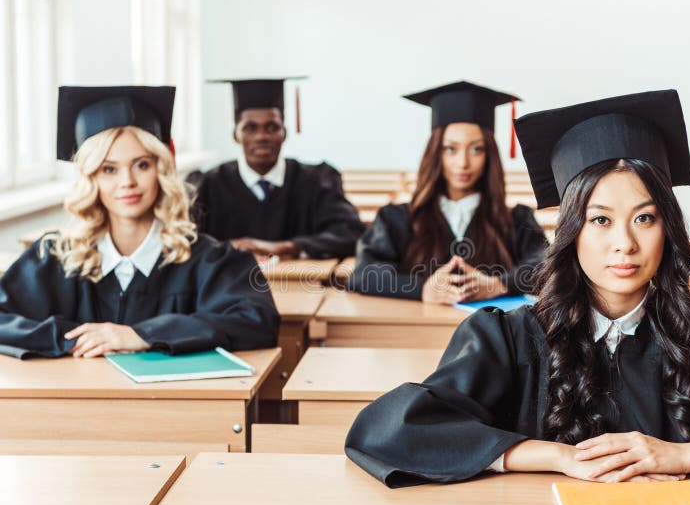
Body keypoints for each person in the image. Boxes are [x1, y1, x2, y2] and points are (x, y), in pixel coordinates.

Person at [345, 90, 690, 491]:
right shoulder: (510, 339)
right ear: (571, 233)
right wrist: (561, 458)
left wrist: (685, 455)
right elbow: (392, 428)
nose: (624, 243)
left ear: (669, 229)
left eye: (644, 218)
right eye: (600, 220)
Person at [0, 85, 279, 359]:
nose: (127, 182)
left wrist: (142, 335)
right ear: (91, 179)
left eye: (141, 165)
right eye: (109, 169)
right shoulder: (56, 256)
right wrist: (70, 338)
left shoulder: (206, 259)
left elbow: (257, 319)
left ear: (161, 170)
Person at [348, 81, 548, 304]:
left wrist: (499, 284)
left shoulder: (516, 220)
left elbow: (546, 266)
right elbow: (365, 274)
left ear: (489, 155)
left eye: (476, 149)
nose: (463, 163)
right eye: (450, 149)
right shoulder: (397, 218)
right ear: (436, 153)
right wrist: (423, 289)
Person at [188, 78, 364, 260]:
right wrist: (227, 249)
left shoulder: (316, 181)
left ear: (284, 133)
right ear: (236, 135)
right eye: (250, 128)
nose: (261, 136)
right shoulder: (208, 185)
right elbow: (186, 240)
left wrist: (286, 247)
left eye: (272, 127)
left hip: (302, 285)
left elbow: (351, 233)